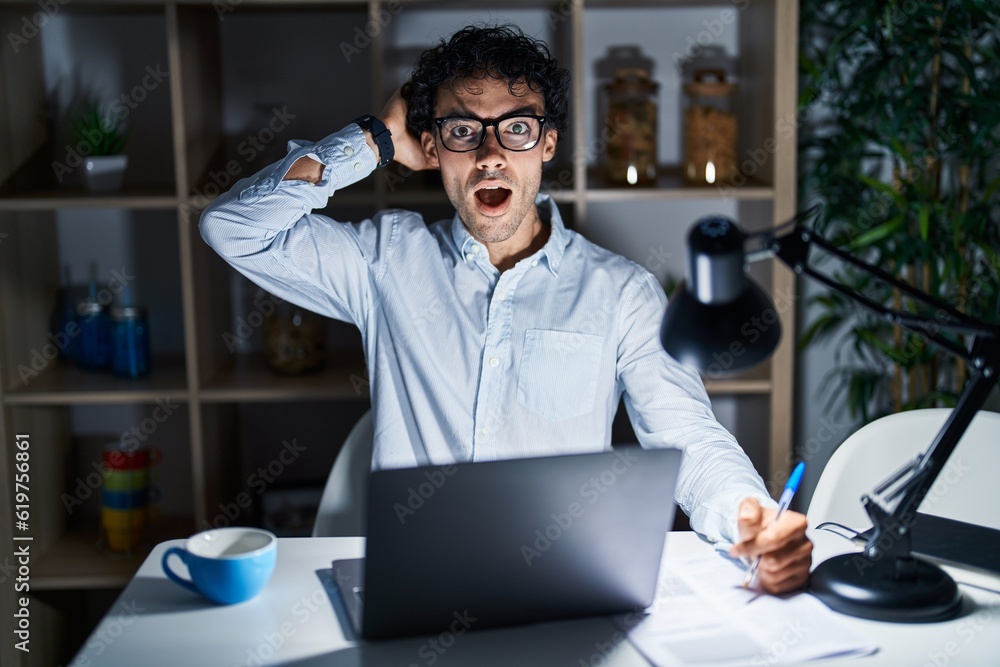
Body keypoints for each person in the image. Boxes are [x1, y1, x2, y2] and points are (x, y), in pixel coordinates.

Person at [200, 24, 811, 593]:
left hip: (562, 582)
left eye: (515, 128)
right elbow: (233, 229)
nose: (490, 154)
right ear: (432, 147)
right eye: (463, 130)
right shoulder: (382, 259)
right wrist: (374, 139)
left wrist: (753, 524)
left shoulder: (621, 291)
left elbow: (688, 437)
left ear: (547, 144)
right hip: (418, 584)